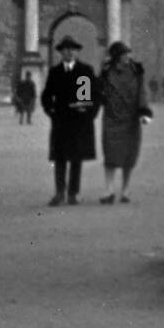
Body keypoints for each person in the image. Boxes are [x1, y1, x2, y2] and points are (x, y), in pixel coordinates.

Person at [41, 35, 101, 206]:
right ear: (61, 52)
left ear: (76, 51)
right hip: (60, 121)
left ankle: (73, 193)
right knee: (59, 159)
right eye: (65, 49)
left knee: (76, 159)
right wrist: (50, 112)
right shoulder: (55, 72)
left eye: (72, 49)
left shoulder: (86, 71)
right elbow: (46, 96)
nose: (69, 52)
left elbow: (94, 97)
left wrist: (90, 115)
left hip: (79, 122)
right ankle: (59, 192)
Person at [98, 41, 152, 204]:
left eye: (128, 53)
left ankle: (126, 190)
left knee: (129, 156)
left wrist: (143, 111)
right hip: (112, 117)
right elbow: (98, 91)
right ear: (116, 57)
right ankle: (109, 190)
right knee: (111, 156)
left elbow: (142, 92)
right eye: (124, 54)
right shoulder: (106, 71)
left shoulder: (136, 71)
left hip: (131, 118)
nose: (128, 56)